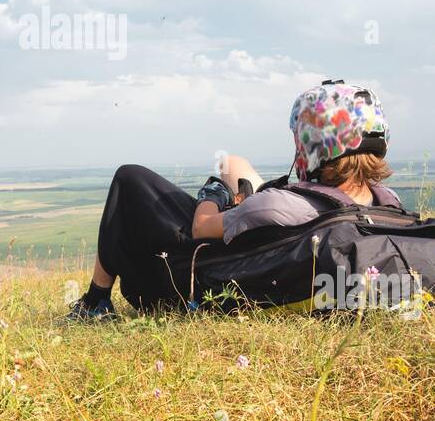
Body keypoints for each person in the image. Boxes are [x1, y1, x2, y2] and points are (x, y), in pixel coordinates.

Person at [67, 80, 400, 319]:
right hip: (276, 259)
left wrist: (215, 192)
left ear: (316, 144)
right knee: (231, 168)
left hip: (206, 275)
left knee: (130, 178)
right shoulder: (385, 200)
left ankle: (96, 300)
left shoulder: (279, 204)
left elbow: (201, 227)